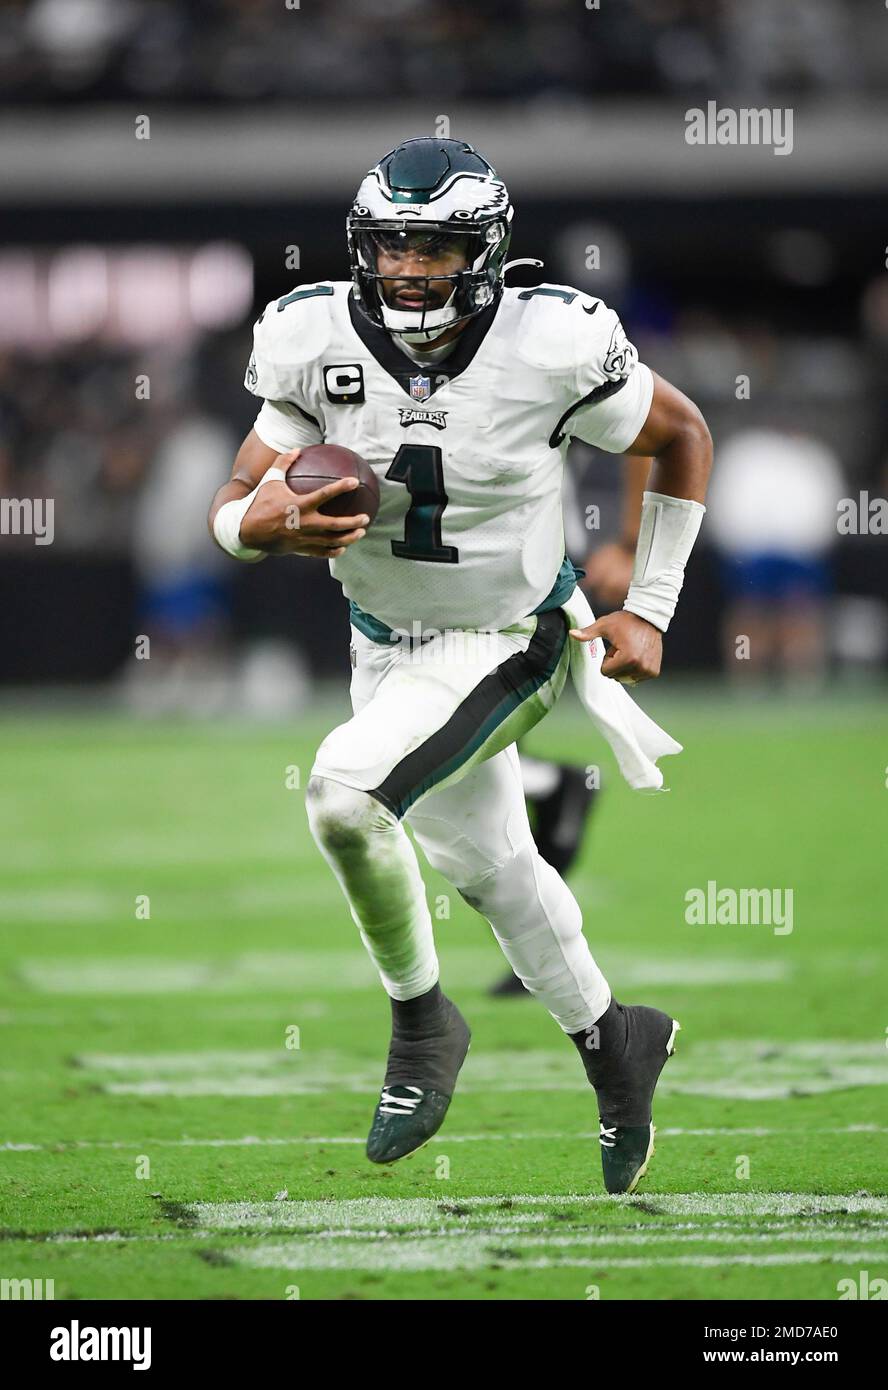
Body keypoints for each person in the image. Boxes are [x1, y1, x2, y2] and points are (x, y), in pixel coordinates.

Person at [208, 138, 712, 1194]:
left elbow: (681, 435)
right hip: (383, 643)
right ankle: (617, 1040)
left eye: (433, 248)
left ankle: (421, 1024)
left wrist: (650, 607)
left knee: (345, 798)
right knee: (497, 874)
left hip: (509, 631)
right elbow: (239, 496)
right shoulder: (310, 335)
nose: (406, 270)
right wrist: (258, 529)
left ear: (482, 252)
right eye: (390, 247)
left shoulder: (552, 342)